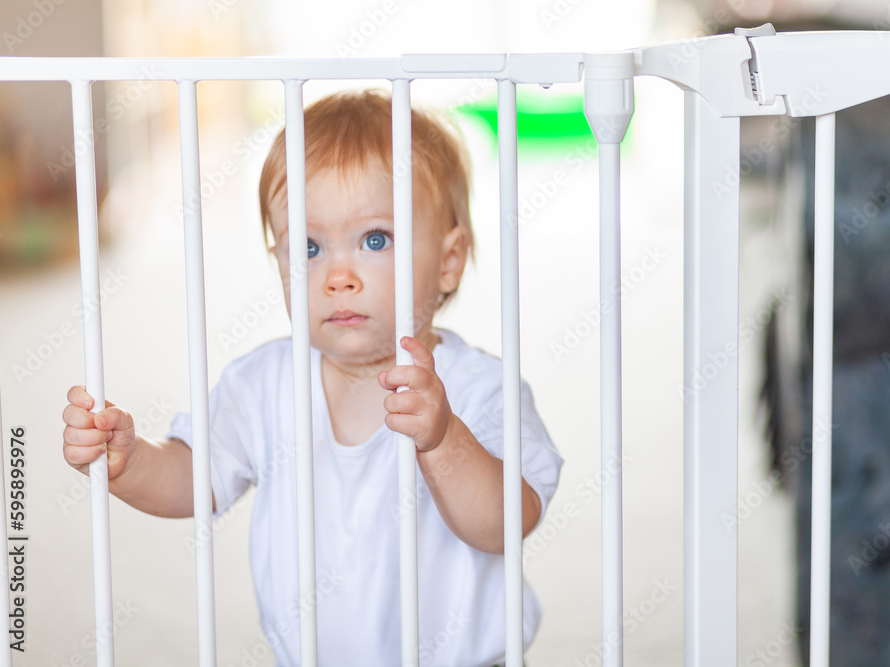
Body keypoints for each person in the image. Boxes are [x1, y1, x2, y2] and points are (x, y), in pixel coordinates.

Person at [61, 89, 563, 666]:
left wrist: (444, 439)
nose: (337, 276)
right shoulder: (263, 384)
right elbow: (194, 478)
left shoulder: (481, 390)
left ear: (448, 260)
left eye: (375, 239)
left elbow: (507, 524)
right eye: (308, 247)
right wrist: (128, 459)